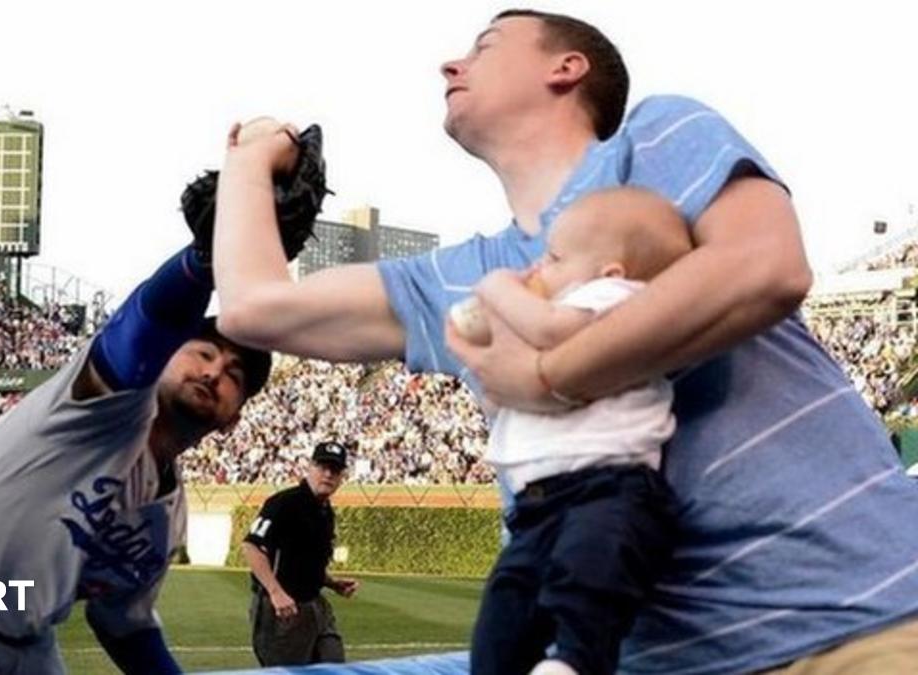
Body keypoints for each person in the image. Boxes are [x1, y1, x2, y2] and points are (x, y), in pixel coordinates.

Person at [212, 8, 918, 675]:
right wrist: (249, 157)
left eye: (484, 46)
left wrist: (550, 370)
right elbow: (254, 308)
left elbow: (765, 266)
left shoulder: (653, 141)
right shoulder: (462, 277)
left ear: (568, 67)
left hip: (861, 624)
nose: (449, 64)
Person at [0, 244, 272, 675]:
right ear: (165, 354)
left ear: (233, 420)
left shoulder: (167, 523)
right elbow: (146, 324)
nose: (213, 372)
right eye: (203, 352)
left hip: (28, 643)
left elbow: (125, 624)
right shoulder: (103, 409)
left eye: (234, 375)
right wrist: (202, 259)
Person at [444, 187, 690, 675]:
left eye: (554, 257)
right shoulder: (564, 316)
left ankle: (574, 664)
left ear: (610, 272)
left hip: (608, 488)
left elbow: (553, 328)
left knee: (589, 588)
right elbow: (501, 394)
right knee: (507, 609)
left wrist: (497, 287)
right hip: (538, 507)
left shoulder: (618, 298)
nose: (539, 268)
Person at [241, 441, 360, 667]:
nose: (327, 474)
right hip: (283, 611)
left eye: (334, 470)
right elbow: (251, 546)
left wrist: (331, 582)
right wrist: (276, 592)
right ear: (310, 468)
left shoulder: (325, 511)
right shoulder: (283, 503)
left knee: (334, 668)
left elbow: (304, 561)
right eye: (322, 467)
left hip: (316, 605)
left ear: (342, 476)